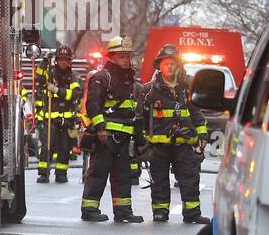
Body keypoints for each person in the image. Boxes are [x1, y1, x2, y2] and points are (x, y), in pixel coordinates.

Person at [136, 44, 210, 224]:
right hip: (157, 146)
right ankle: (160, 212)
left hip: (184, 144)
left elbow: (196, 115)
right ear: (159, 66)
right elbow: (140, 118)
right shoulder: (148, 90)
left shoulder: (187, 89)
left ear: (178, 66)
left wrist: (202, 137)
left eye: (173, 63)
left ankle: (192, 213)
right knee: (159, 180)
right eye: (165, 63)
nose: (169, 66)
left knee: (190, 177)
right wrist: (140, 143)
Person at [81, 35, 142, 223]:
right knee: (98, 173)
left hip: (124, 136)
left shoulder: (129, 80)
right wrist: (100, 129)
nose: (126, 59)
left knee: (124, 174)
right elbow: (93, 105)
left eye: (128, 56)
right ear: (112, 56)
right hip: (106, 136)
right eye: (122, 56)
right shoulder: (101, 77)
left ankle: (123, 211)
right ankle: (90, 210)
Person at [34, 46, 81, 183]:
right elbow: (39, 77)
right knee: (47, 146)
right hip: (50, 119)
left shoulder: (73, 77)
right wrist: (43, 61)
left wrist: (57, 90)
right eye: (61, 59)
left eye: (66, 60)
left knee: (64, 148)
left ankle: (61, 174)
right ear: (56, 60)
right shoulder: (50, 74)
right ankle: (43, 173)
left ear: (69, 61)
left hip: (66, 121)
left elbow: (75, 95)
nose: (63, 62)